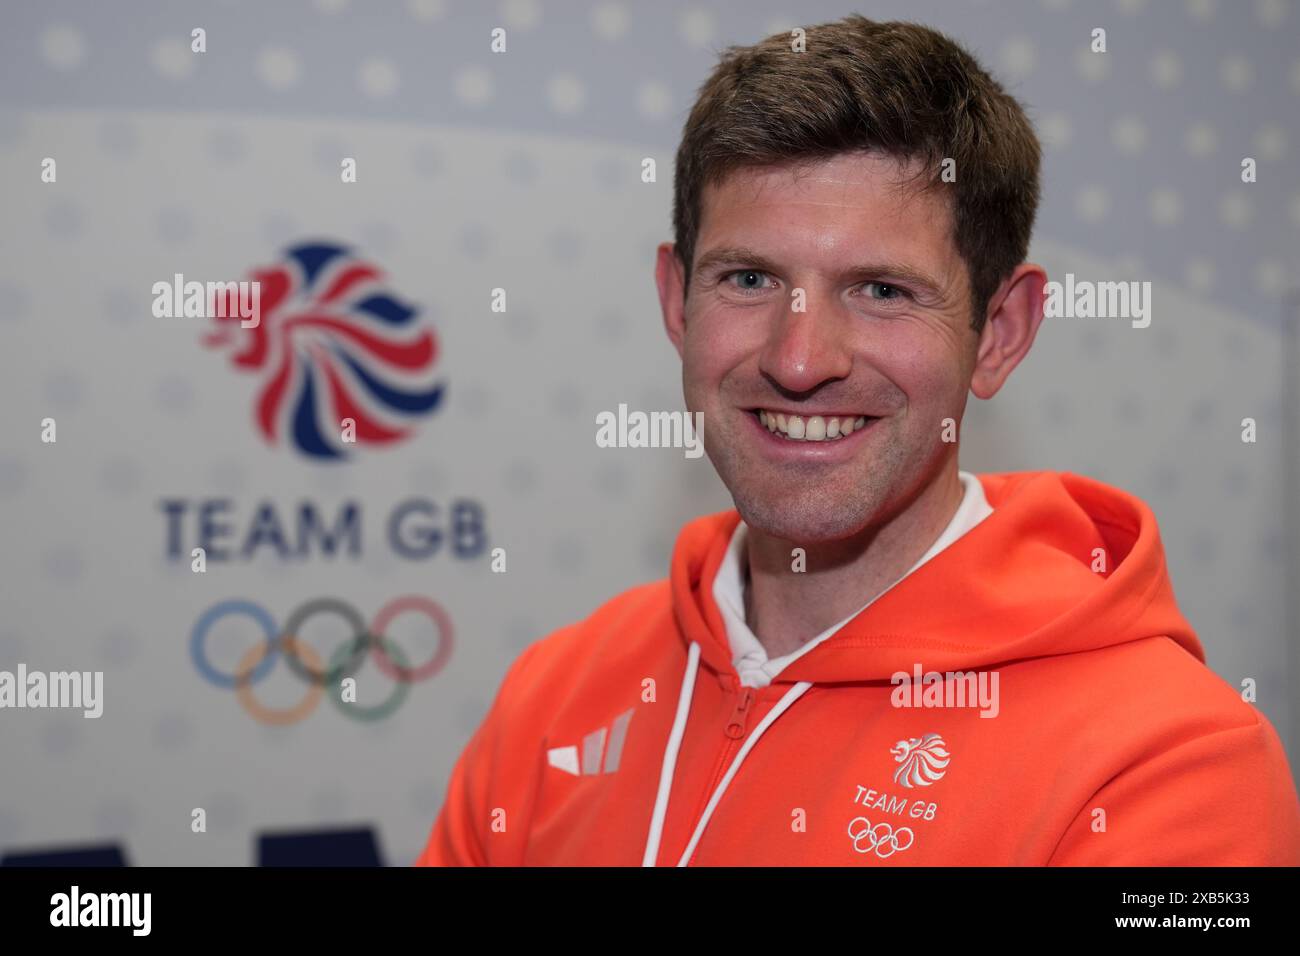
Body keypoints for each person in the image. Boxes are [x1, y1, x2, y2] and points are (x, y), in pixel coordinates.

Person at [417, 15, 1300, 865]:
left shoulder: (1173, 763)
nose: (800, 361)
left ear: (999, 334)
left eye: (881, 290)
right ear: (675, 301)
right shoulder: (559, 691)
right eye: (751, 277)